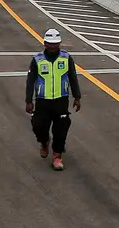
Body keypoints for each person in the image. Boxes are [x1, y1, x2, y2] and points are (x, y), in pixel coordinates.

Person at [25, 28, 81, 170]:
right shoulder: (37, 60)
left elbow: (73, 77)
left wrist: (77, 97)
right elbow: (30, 81)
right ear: (44, 43)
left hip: (61, 100)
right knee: (38, 126)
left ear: (60, 43)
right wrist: (28, 100)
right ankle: (44, 142)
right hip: (43, 101)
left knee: (61, 129)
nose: (53, 46)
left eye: (56, 43)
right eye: (50, 43)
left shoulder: (66, 58)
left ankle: (57, 156)